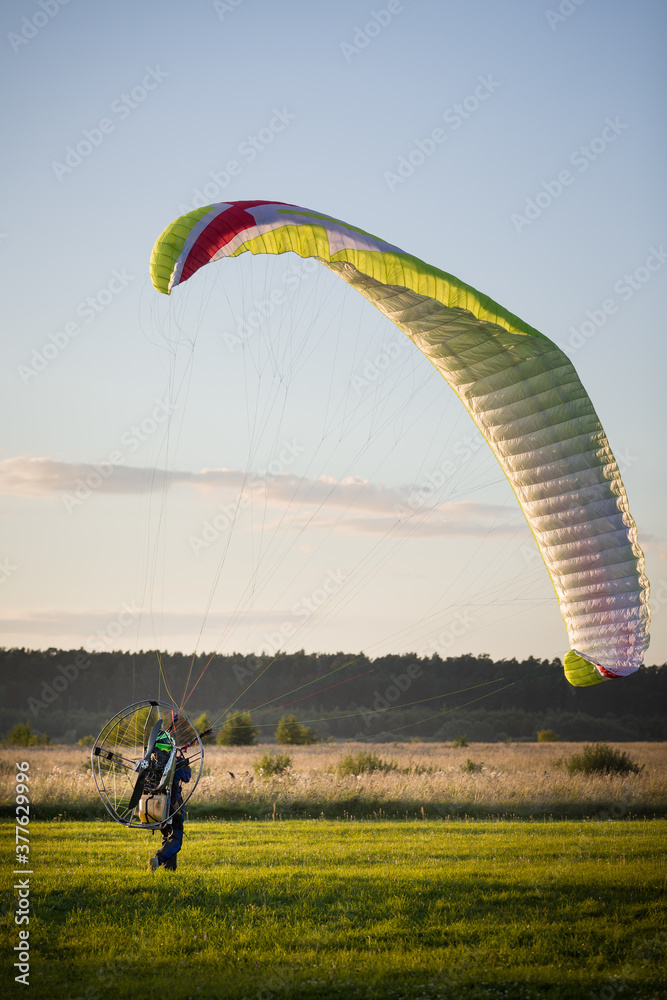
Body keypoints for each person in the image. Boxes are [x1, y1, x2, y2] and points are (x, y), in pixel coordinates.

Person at [148, 749, 191, 872]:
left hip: (156, 806)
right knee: (176, 838)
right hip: (173, 807)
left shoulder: (151, 763)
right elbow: (187, 777)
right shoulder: (175, 763)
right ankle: (158, 859)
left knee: (167, 836)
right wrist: (183, 761)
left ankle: (169, 870)